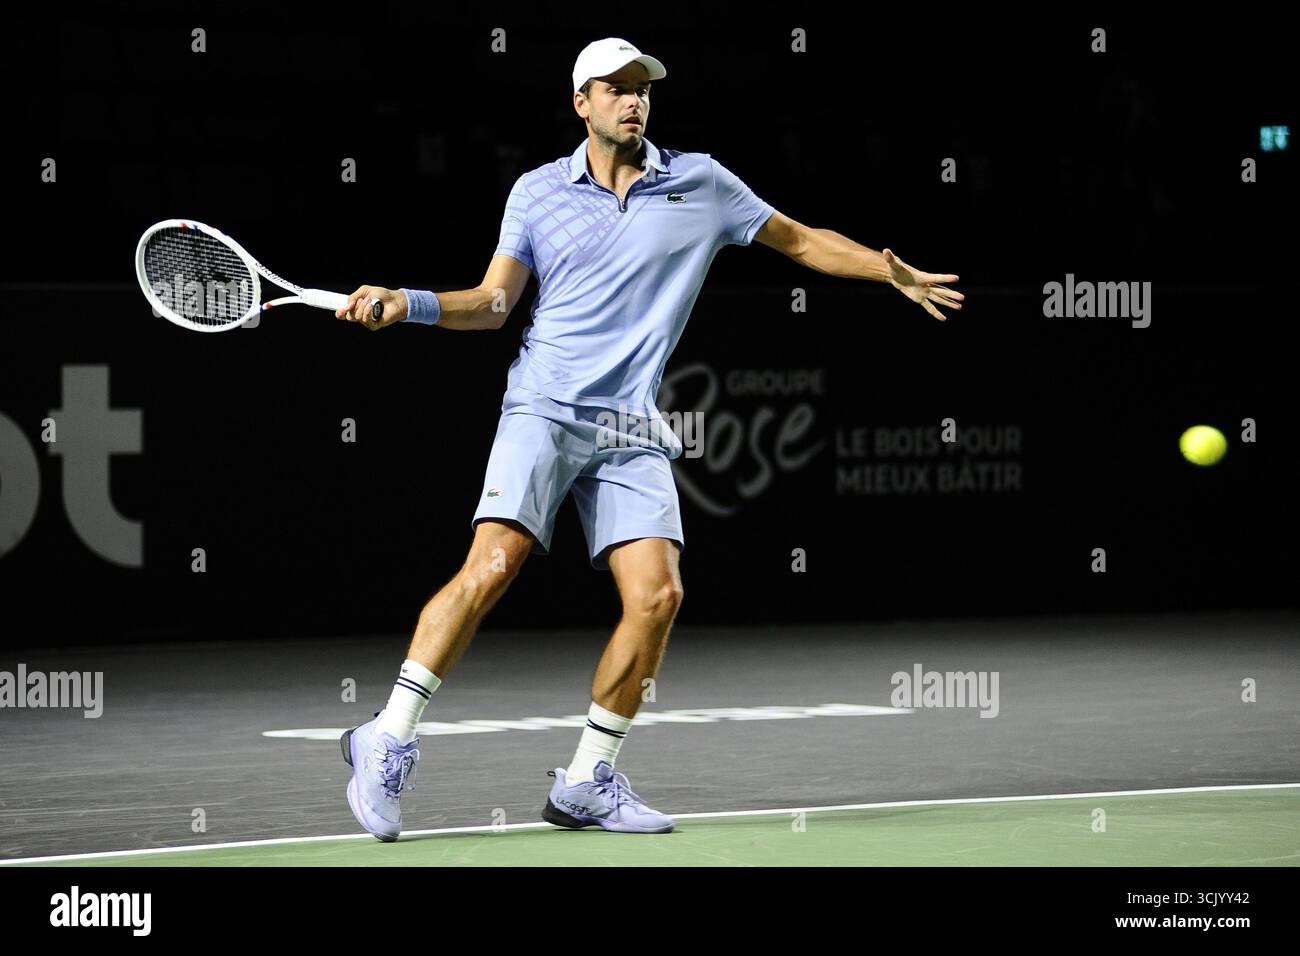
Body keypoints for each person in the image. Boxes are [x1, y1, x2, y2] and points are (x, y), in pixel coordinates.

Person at [335, 36, 964, 841]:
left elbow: (802, 241)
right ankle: (385, 736)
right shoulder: (534, 193)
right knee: (495, 562)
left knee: (658, 596)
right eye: (616, 89)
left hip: (632, 425)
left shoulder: (702, 182)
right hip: (544, 407)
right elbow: (495, 305)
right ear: (581, 104)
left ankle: (588, 779)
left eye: (643, 90)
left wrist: (891, 274)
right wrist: (410, 302)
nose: (634, 101)